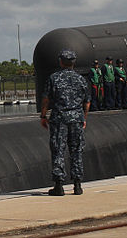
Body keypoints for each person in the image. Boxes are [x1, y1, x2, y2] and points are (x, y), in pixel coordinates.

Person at [40, 49, 90, 196]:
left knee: (58, 150)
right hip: (77, 118)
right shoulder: (81, 79)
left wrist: (43, 116)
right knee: (77, 150)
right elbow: (87, 103)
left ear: (61, 62)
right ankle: (77, 185)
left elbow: (46, 99)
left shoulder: (54, 78)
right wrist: (84, 118)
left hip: (59, 118)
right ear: (74, 62)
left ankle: (59, 185)